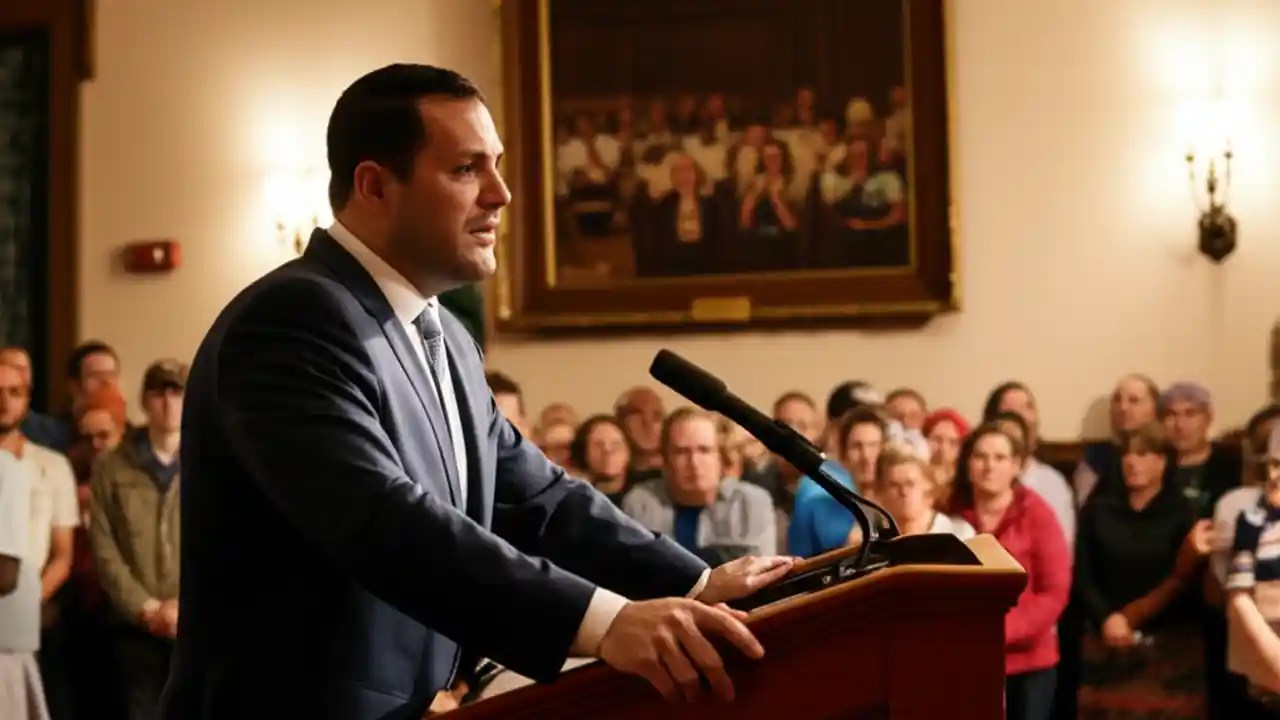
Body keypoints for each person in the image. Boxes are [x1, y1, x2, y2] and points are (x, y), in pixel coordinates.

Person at [158, 64, 793, 720]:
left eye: (497, 165)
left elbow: (535, 499)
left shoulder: (447, 338)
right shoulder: (294, 318)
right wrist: (609, 623)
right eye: (467, 169)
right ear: (376, 185)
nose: (502, 194)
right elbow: (382, 519)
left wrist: (696, 581)